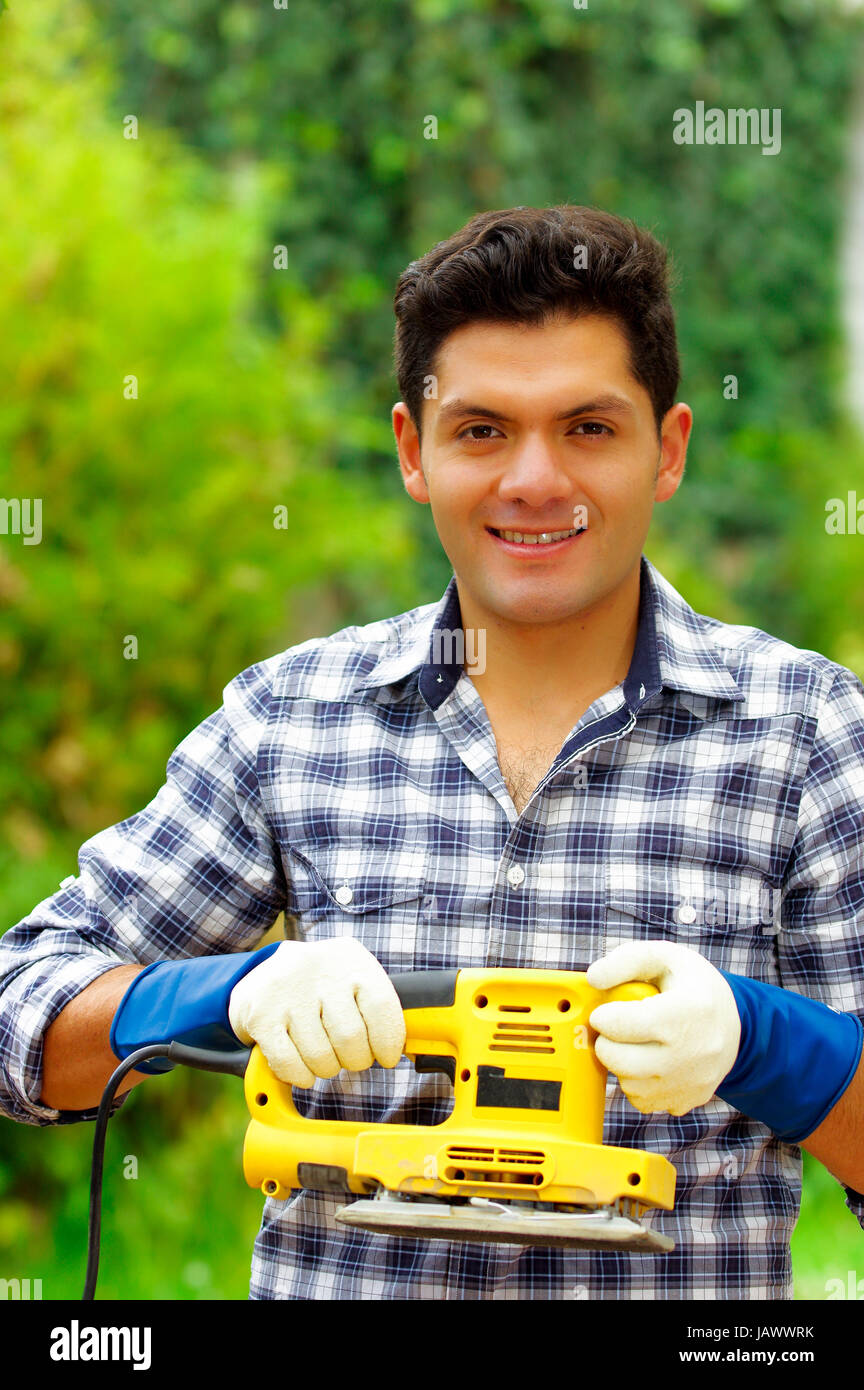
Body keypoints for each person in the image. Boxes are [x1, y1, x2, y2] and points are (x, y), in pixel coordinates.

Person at [1, 205, 862, 1301]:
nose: (534, 480)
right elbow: (17, 1009)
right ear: (415, 452)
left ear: (669, 450)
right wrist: (225, 993)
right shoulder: (289, 718)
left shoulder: (810, 735)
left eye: (589, 428)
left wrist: (766, 1042)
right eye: (483, 430)